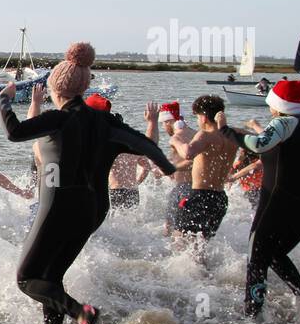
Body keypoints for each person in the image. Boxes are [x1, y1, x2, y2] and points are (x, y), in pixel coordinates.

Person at [0, 42, 177, 324]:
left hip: (59, 205)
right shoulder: (106, 122)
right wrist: (167, 166)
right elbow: (145, 147)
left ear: (56, 88)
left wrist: (3, 100)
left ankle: (82, 314)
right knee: (51, 276)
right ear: (82, 87)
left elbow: (14, 131)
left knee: (27, 279)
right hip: (93, 211)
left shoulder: (62, 117)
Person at [217, 79, 300, 318]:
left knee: (256, 258)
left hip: (278, 202)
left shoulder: (283, 123)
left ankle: (252, 318)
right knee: (275, 255)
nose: (270, 109)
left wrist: (225, 130)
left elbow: (258, 144)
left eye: (271, 104)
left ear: (279, 105)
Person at [170, 95, 240, 249]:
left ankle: (187, 274)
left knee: (179, 242)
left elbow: (188, 153)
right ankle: (206, 273)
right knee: (200, 246)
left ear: (203, 117)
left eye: (197, 116)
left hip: (199, 196)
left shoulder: (205, 134)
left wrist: (176, 140)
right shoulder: (233, 134)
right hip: (219, 199)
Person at [91, 94, 160, 213]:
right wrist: (137, 182)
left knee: (116, 226)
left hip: (116, 192)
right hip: (133, 192)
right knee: (131, 223)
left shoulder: (109, 145)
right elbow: (146, 166)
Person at [160, 102, 194, 234]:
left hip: (183, 188)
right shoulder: (195, 134)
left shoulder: (176, 137)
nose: (163, 127)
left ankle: (168, 254)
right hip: (198, 187)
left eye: (163, 123)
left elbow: (189, 159)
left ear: (169, 121)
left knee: (169, 228)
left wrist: (169, 168)